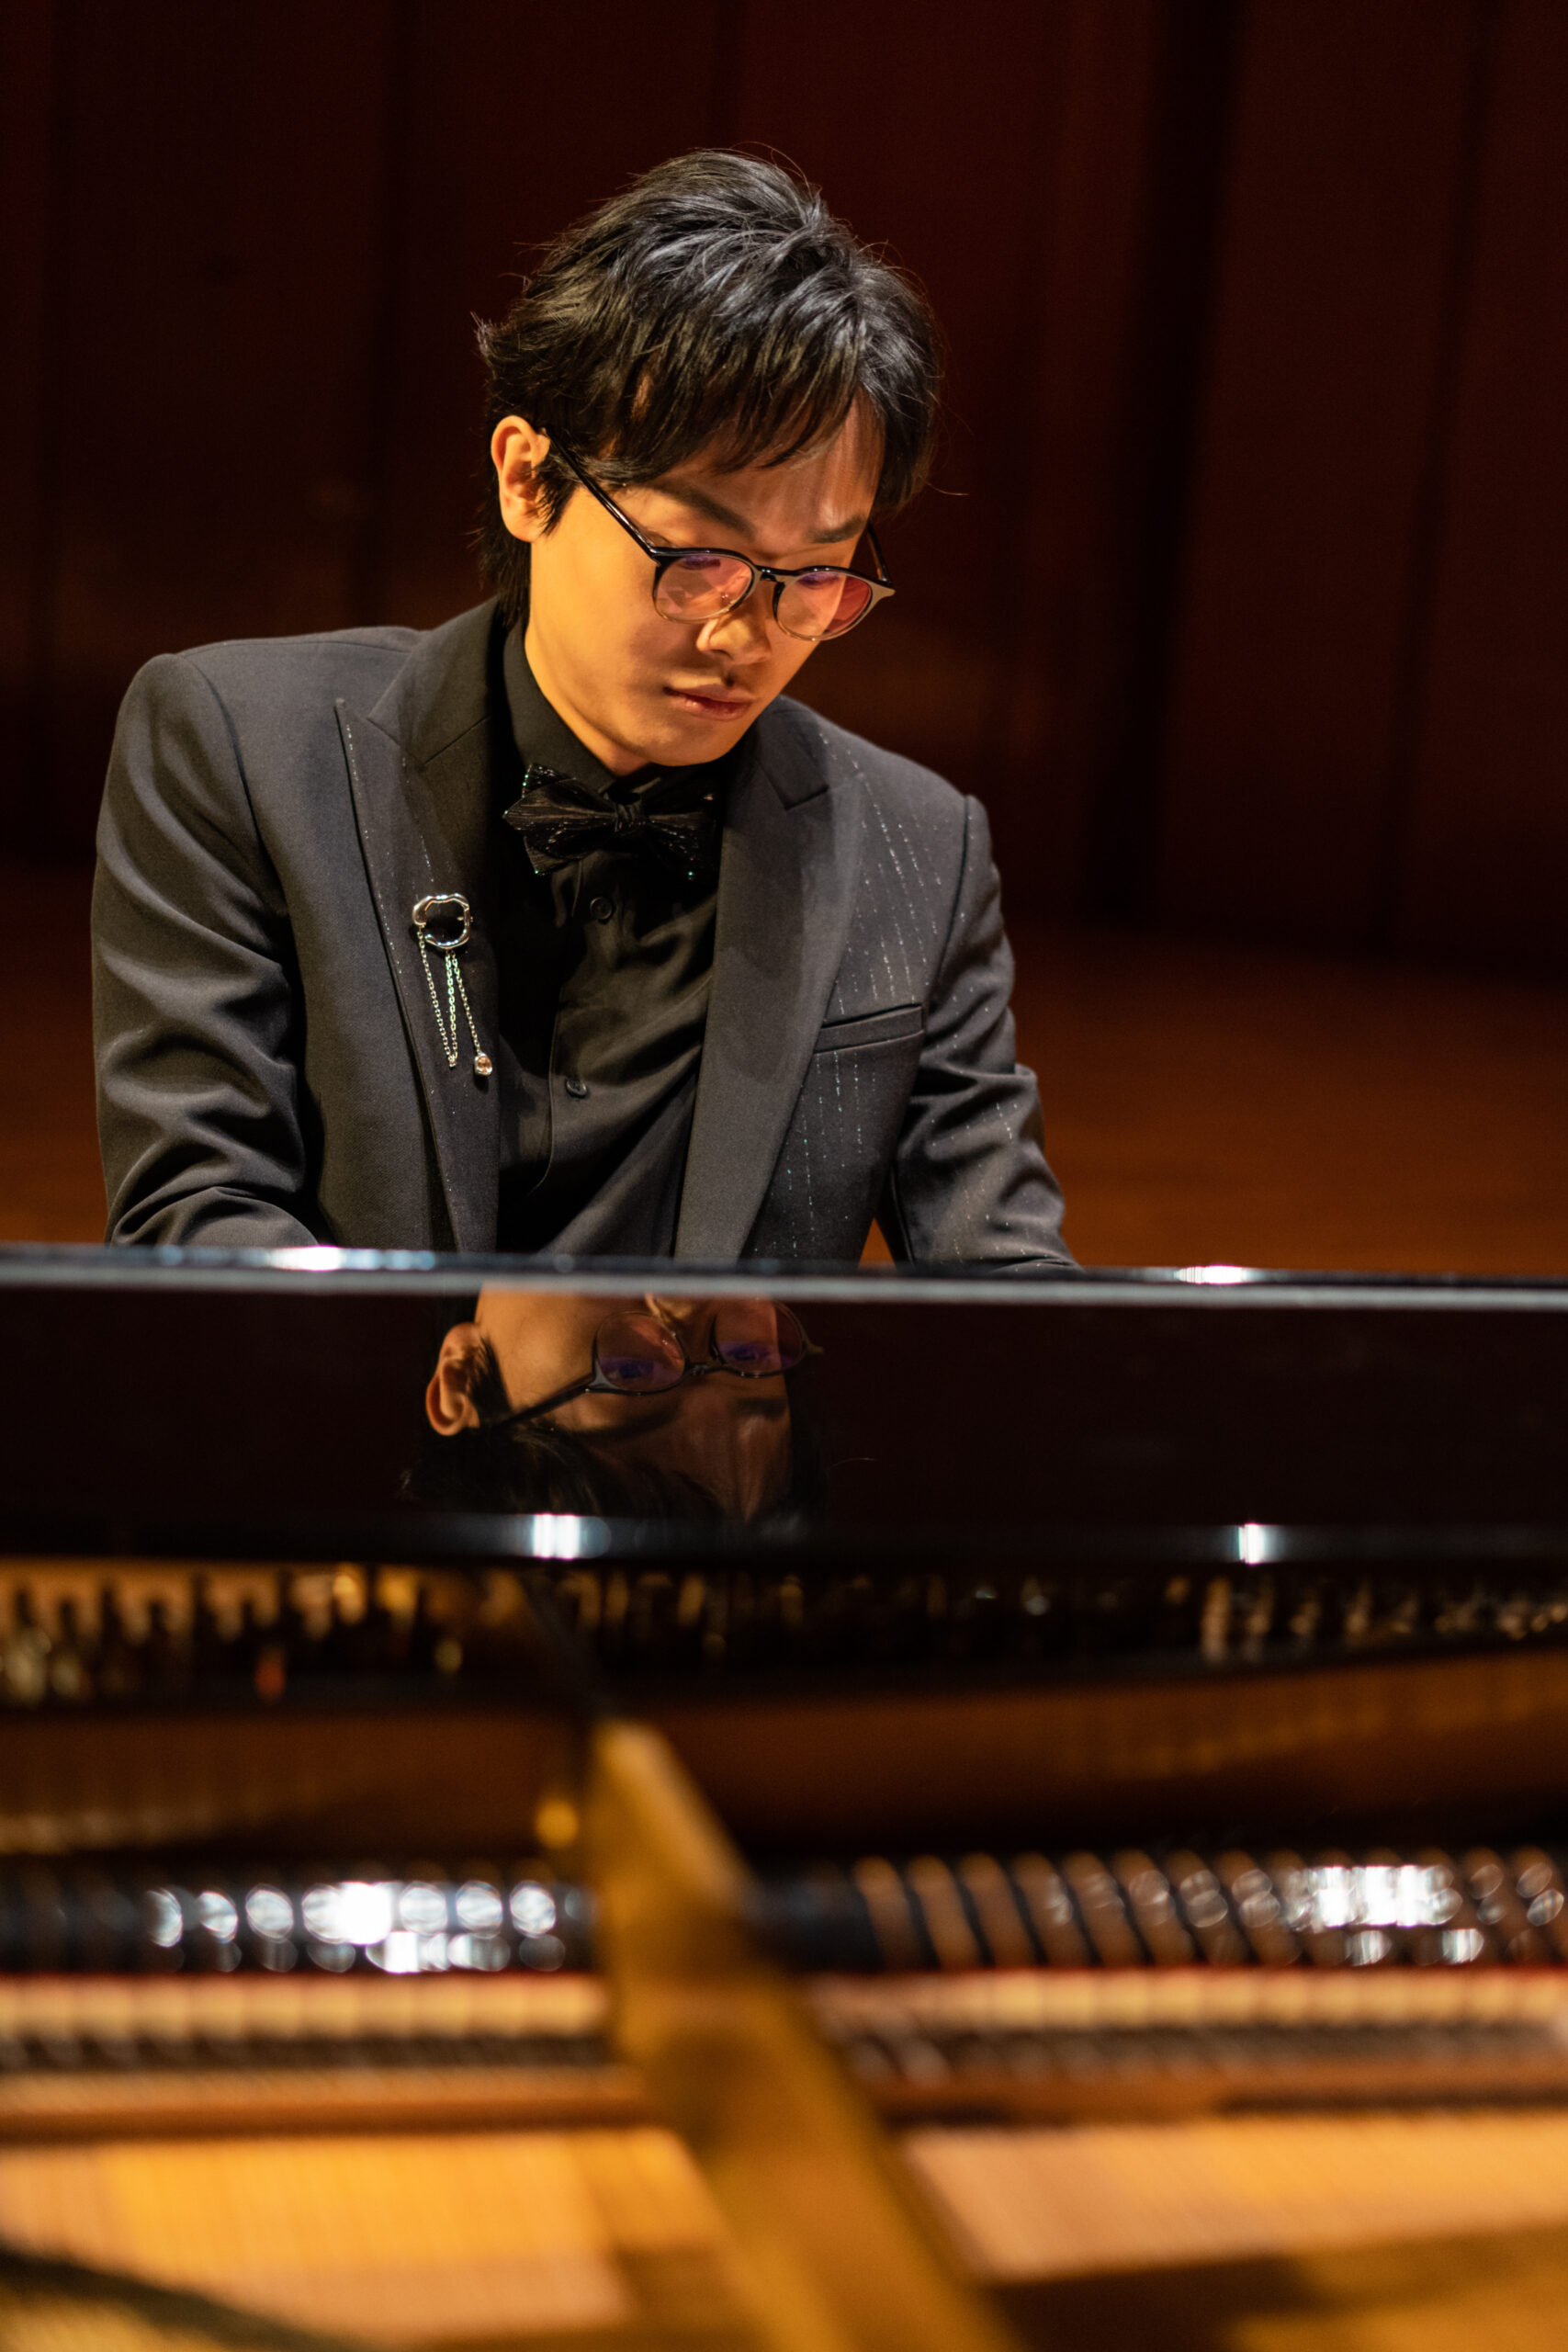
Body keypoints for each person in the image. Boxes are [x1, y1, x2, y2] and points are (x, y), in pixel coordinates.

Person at [93, 151, 1069, 1268]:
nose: (742, 635)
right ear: (526, 477)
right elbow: (197, 1216)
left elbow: (1008, 1288)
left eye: (813, 578)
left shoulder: (919, 847)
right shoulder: (237, 748)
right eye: (697, 557)